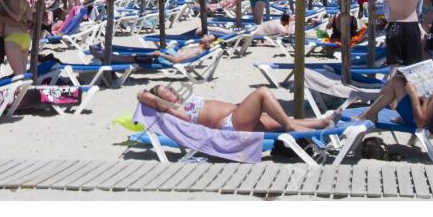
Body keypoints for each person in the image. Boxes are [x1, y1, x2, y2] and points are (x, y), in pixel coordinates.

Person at [137, 84, 338, 133]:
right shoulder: (171, 109)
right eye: (166, 91)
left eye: (170, 89)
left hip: (236, 117)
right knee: (262, 92)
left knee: (279, 122)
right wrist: (154, 95)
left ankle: (322, 122)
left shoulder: (182, 104)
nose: (171, 91)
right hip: (231, 123)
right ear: (161, 100)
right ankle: (291, 126)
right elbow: (142, 95)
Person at [358, 55, 433, 127]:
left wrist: (414, 96)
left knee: (396, 81)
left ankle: (371, 113)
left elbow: (421, 122)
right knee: (397, 80)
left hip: (424, 122)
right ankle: (372, 112)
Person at [1, 0, 33, 76]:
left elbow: (17, 16)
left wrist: (3, 4)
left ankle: (25, 92)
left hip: (13, 39)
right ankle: (25, 92)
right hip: (25, 38)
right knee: (22, 73)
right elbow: (29, 20)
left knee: (19, 76)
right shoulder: (24, 0)